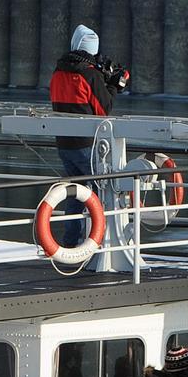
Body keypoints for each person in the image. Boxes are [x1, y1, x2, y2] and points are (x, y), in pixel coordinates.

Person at [48, 24, 121, 245]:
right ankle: (99, 243)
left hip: (64, 144)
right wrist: (114, 85)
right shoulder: (89, 74)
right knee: (99, 193)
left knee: (75, 194)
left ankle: (71, 242)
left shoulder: (59, 71)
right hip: (86, 145)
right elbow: (103, 108)